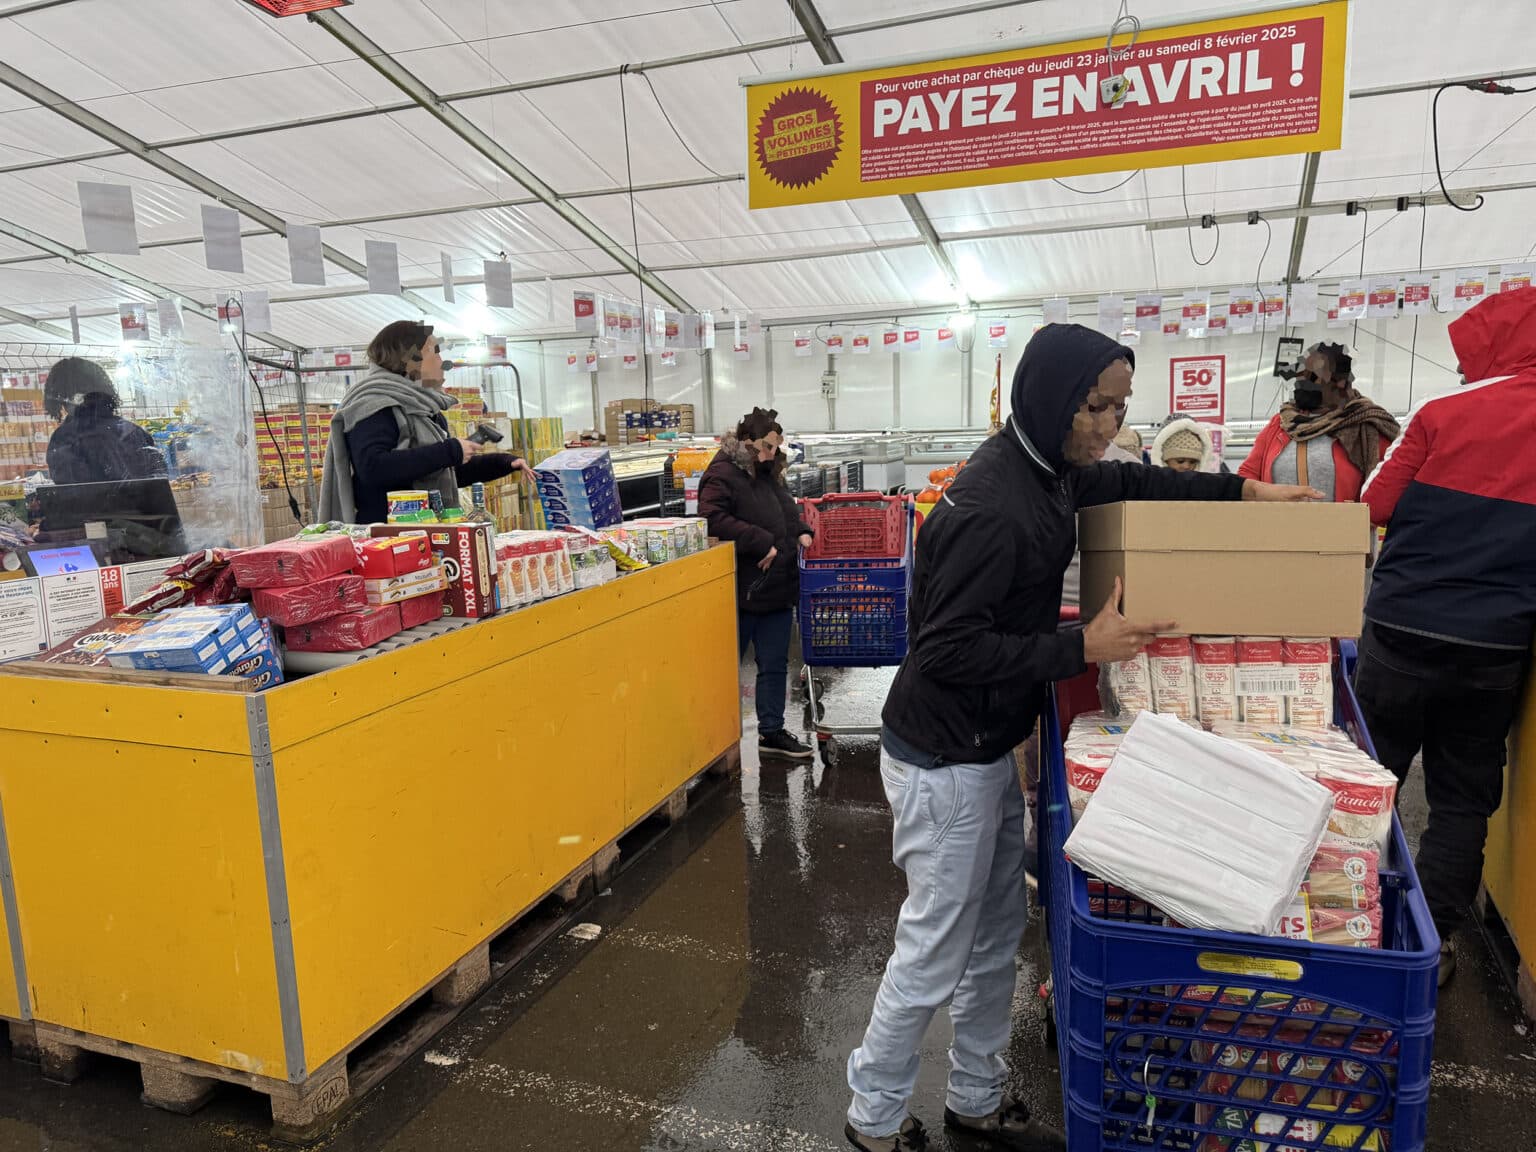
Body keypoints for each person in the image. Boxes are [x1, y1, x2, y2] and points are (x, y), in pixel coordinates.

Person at [844, 324, 1320, 1152]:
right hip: (943, 759)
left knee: (996, 935)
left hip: (986, 748)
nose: (1108, 425)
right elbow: (945, 652)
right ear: (1053, 397)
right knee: (934, 948)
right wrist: (1080, 648)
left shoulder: (1052, 471)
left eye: (1119, 408)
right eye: (1096, 407)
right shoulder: (991, 506)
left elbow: (1135, 478)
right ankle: (873, 1117)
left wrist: (1247, 493)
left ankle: (975, 1097)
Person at [1352, 286, 1536, 988]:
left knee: (1371, 781)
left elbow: (1373, 503)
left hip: (1401, 629)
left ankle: (1347, 921)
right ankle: (1428, 949)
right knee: (1461, 800)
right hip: (1495, 646)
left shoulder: (1442, 411)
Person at [318, 321, 533, 524]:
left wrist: (503, 463)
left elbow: (442, 473)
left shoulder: (425, 409)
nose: (442, 362)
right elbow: (373, 468)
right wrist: (450, 451)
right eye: (435, 352)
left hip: (428, 529)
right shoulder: (374, 404)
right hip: (387, 536)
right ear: (411, 359)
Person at [700, 407, 815, 763]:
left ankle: (772, 731)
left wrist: (801, 530)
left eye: (775, 448)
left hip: (777, 584)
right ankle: (711, 739)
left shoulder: (767, 469)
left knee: (775, 663)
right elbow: (711, 518)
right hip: (744, 588)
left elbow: (784, 508)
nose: (771, 454)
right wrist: (760, 540)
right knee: (723, 667)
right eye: (767, 447)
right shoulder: (722, 472)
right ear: (747, 442)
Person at [1239, 342, 1400, 501]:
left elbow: (1391, 486)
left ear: (1340, 381)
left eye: (1311, 377)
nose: (1300, 382)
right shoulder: (1281, 423)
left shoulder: (1368, 425)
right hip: (1276, 519)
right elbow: (1247, 476)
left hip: (1344, 519)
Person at [43, 357, 166, 485]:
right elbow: (156, 481)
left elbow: (67, 488)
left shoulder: (65, 438)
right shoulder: (132, 431)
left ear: (63, 398)